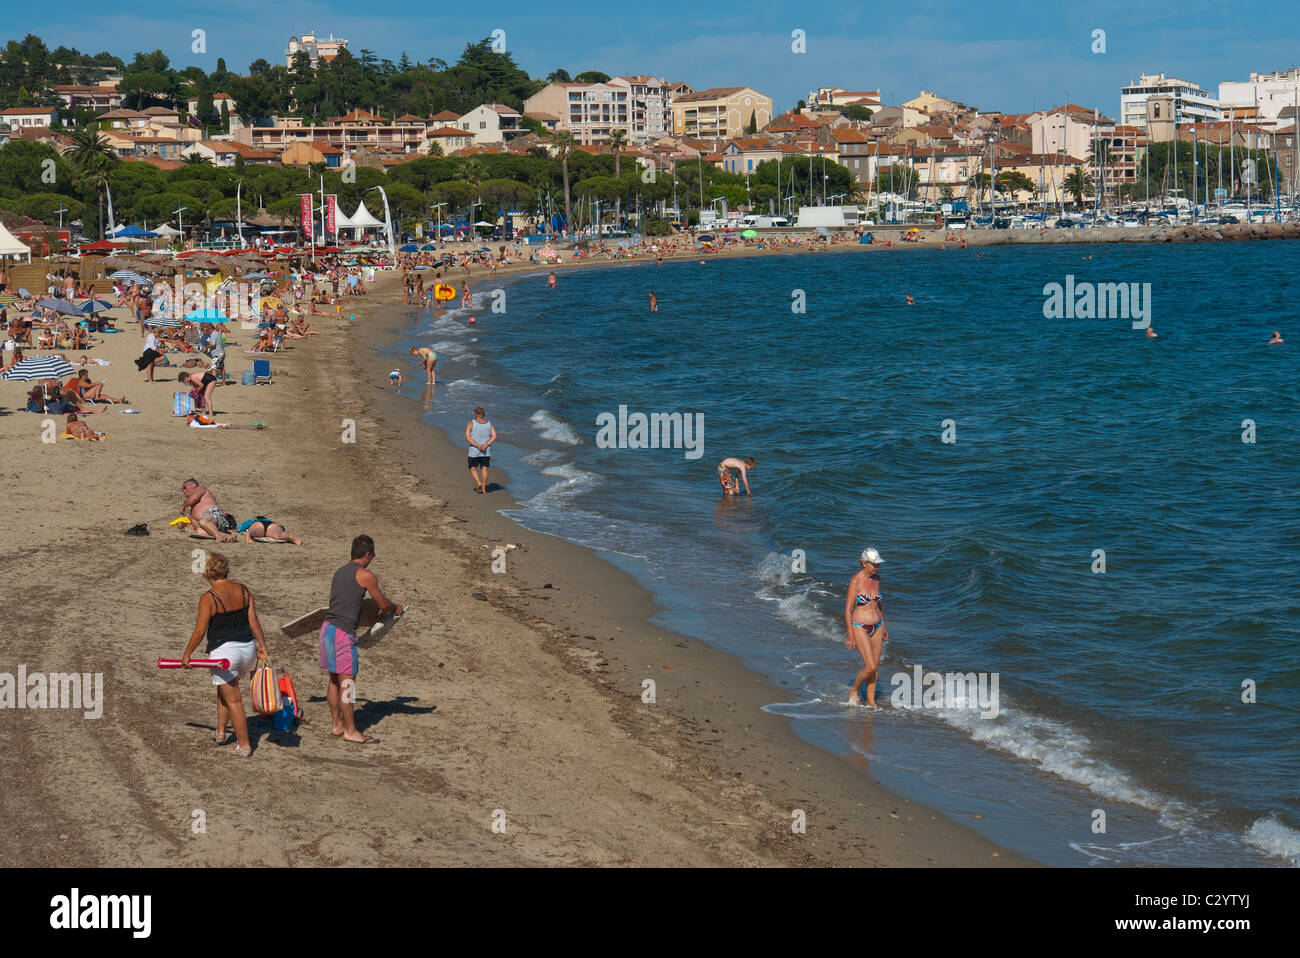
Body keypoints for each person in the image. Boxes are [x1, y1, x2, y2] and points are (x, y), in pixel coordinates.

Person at [180, 552, 269, 757]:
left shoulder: (208, 598)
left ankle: (244, 746)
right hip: (247, 650)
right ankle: (220, 732)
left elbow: (200, 631)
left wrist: (187, 654)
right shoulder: (243, 590)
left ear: (206, 573)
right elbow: (253, 622)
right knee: (224, 691)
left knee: (235, 700)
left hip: (224, 655)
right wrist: (262, 646)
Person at [320, 535, 402, 744]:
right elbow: (383, 605)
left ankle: (337, 725)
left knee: (333, 680)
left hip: (327, 628)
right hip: (342, 633)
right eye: (372, 556)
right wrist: (396, 607)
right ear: (367, 555)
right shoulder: (365, 575)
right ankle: (350, 730)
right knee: (347, 685)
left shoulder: (339, 572)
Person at [845, 548, 890, 707]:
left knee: (875, 667)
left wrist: (884, 626)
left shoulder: (877, 579)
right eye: (874, 564)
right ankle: (854, 689)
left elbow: (879, 605)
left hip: (877, 626)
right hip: (860, 626)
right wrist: (850, 633)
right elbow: (848, 609)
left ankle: (871, 701)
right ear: (864, 563)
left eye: (878, 564)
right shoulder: (855, 581)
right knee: (870, 666)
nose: (877, 567)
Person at [181, 477, 236, 542]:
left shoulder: (200, 489)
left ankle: (218, 537)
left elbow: (194, 498)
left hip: (213, 514)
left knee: (203, 521)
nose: (183, 491)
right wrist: (186, 525)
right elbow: (195, 525)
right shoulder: (193, 507)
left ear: (193, 485)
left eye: (185, 488)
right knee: (199, 531)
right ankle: (227, 536)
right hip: (209, 524)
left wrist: (183, 506)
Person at [466, 406, 497, 494]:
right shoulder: (489, 423)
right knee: (484, 469)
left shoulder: (471, 423)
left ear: (475, 414)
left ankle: (479, 483)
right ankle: (483, 488)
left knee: (472, 467)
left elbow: (467, 437)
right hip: (486, 451)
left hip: (474, 451)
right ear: (483, 414)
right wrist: (485, 445)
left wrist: (477, 446)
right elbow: (494, 436)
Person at [238, 517, 303, 545]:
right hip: (271, 525)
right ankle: (290, 537)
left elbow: (239, 527)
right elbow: (282, 528)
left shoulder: (253, 520)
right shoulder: (269, 520)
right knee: (279, 534)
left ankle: (248, 538)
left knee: (250, 530)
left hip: (258, 525)